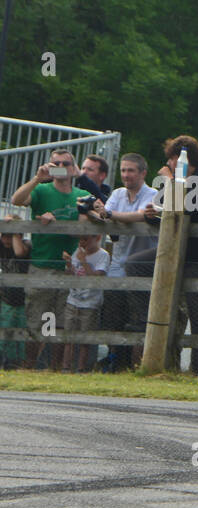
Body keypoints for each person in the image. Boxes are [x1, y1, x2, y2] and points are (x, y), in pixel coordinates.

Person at [124, 134, 198, 375]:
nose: (167, 166)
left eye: (170, 160)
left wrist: (169, 180)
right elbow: (165, 213)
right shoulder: (178, 179)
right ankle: (149, 317)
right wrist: (152, 213)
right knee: (134, 265)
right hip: (177, 253)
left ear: (179, 159)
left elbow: (185, 211)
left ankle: (194, 371)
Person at [9, 148, 92, 370]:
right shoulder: (42, 190)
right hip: (42, 266)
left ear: (74, 169)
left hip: (68, 267)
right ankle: (29, 366)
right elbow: (17, 200)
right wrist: (37, 177)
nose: (61, 167)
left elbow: (84, 229)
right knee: (38, 319)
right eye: (56, 163)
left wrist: (60, 224)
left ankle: (54, 369)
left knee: (61, 322)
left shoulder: (79, 196)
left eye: (65, 163)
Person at [99, 153, 158, 372]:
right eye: (123, 170)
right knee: (114, 315)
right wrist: (98, 212)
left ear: (143, 173)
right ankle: (114, 361)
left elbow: (141, 215)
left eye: (131, 170)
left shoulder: (153, 194)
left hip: (141, 268)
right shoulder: (117, 193)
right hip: (118, 263)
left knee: (138, 318)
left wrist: (110, 213)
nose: (126, 175)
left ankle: (136, 365)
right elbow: (105, 215)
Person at [61, 233, 108, 373]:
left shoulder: (103, 255)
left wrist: (83, 261)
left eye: (86, 239)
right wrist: (69, 263)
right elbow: (71, 274)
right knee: (68, 336)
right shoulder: (78, 251)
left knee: (84, 339)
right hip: (73, 299)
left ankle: (80, 368)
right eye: (80, 239)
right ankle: (65, 367)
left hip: (90, 303)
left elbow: (96, 278)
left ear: (97, 238)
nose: (82, 242)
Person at [0, 216, 29, 370]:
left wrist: (16, 231)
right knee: (4, 333)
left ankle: (17, 364)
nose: (6, 238)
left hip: (24, 299)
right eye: (4, 234)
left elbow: (19, 253)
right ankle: (3, 361)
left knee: (21, 336)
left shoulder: (26, 246)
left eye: (10, 235)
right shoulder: (1, 246)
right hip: (6, 298)